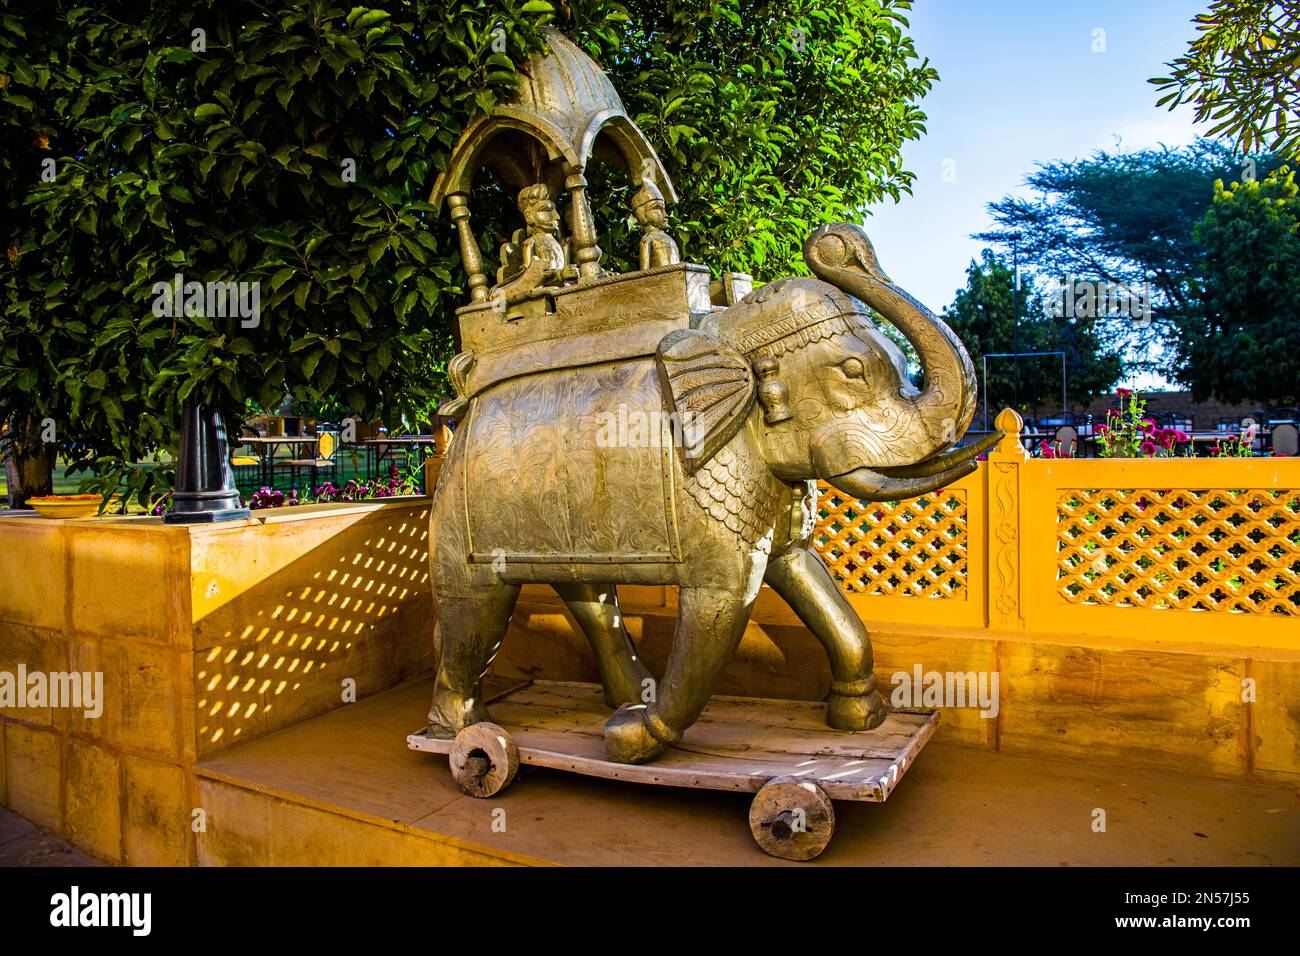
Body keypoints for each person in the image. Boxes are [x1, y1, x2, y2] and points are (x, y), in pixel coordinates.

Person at [631, 178, 679, 270]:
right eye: (657, 207)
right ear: (641, 214)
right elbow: (645, 273)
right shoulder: (647, 240)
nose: (665, 214)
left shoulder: (667, 238)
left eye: (663, 208)